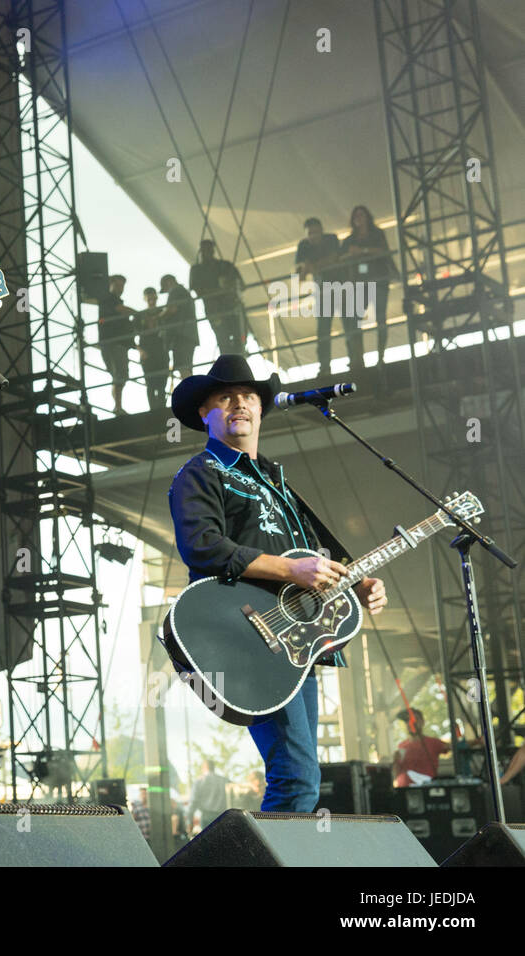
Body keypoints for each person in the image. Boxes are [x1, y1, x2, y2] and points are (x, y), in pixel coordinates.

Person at [166, 355, 388, 811]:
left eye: (248, 396)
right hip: (245, 638)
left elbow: (313, 557)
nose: (239, 404)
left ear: (262, 410)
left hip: (294, 640)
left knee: (301, 775)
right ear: (204, 413)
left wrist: (355, 584)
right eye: (225, 397)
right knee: (297, 776)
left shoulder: (276, 480)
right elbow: (203, 547)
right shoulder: (200, 473)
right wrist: (291, 571)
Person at [338, 205, 394, 372]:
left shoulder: (377, 234)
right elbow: (341, 257)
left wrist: (362, 251)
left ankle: (380, 357)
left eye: (361, 215)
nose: (359, 219)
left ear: (367, 217)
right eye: (356, 216)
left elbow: (383, 251)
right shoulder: (349, 240)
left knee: (381, 320)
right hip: (358, 284)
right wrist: (352, 254)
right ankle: (357, 358)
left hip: (379, 281)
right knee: (354, 321)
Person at [294, 217, 343, 375]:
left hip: (342, 286)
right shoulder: (303, 245)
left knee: (350, 325)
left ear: (322, 230)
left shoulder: (331, 239)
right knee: (323, 330)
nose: (313, 236)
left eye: (315, 232)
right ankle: (324, 367)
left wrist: (312, 266)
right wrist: (307, 267)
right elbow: (300, 267)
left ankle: (356, 362)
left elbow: (334, 258)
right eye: (310, 233)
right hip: (322, 291)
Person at [188, 240, 245, 355]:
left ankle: (237, 363)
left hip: (230, 307)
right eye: (205, 249)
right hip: (215, 310)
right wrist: (220, 290)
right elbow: (197, 291)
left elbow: (241, 285)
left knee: (239, 339)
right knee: (224, 341)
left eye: (209, 249)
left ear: (213, 250)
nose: (207, 252)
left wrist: (229, 285)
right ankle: (231, 364)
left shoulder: (225, 266)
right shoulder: (197, 270)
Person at [98, 274, 135, 415]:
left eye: (122, 285)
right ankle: (118, 407)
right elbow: (121, 310)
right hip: (113, 343)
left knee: (119, 375)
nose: (121, 288)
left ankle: (118, 406)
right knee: (120, 374)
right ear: (111, 284)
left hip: (117, 343)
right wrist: (140, 314)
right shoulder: (108, 299)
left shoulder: (111, 300)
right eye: (118, 285)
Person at [391, 708, 451, 786]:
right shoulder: (401, 746)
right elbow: (396, 774)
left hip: (426, 790)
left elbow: (454, 747)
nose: (411, 723)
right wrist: (395, 762)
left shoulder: (433, 743)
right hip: (404, 791)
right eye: (407, 721)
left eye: (415, 720)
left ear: (422, 722)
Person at [135, 286, 169, 411]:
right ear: (145, 298)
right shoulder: (140, 316)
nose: (151, 299)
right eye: (148, 296)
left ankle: (161, 408)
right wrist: (140, 350)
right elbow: (131, 336)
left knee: (162, 383)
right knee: (150, 383)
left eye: (152, 296)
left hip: (162, 351)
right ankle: (153, 410)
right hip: (147, 353)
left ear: (156, 297)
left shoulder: (163, 311)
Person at [159, 273, 198, 382]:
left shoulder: (176, 291)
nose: (166, 291)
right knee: (186, 367)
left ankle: (190, 392)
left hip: (181, 335)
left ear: (168, 282)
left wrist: (159, 317)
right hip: (188, 335)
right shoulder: (184, 292)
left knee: (183, 367)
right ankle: (191, 390)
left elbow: (172, 309)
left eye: (165, 288)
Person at [187, 759, 229, 832]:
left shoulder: (199, 781)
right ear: (213, 767)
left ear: (203, 768)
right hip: (222, 816)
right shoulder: (225, 781)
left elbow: (193, 802)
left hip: (206, 817)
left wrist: (189, 821)